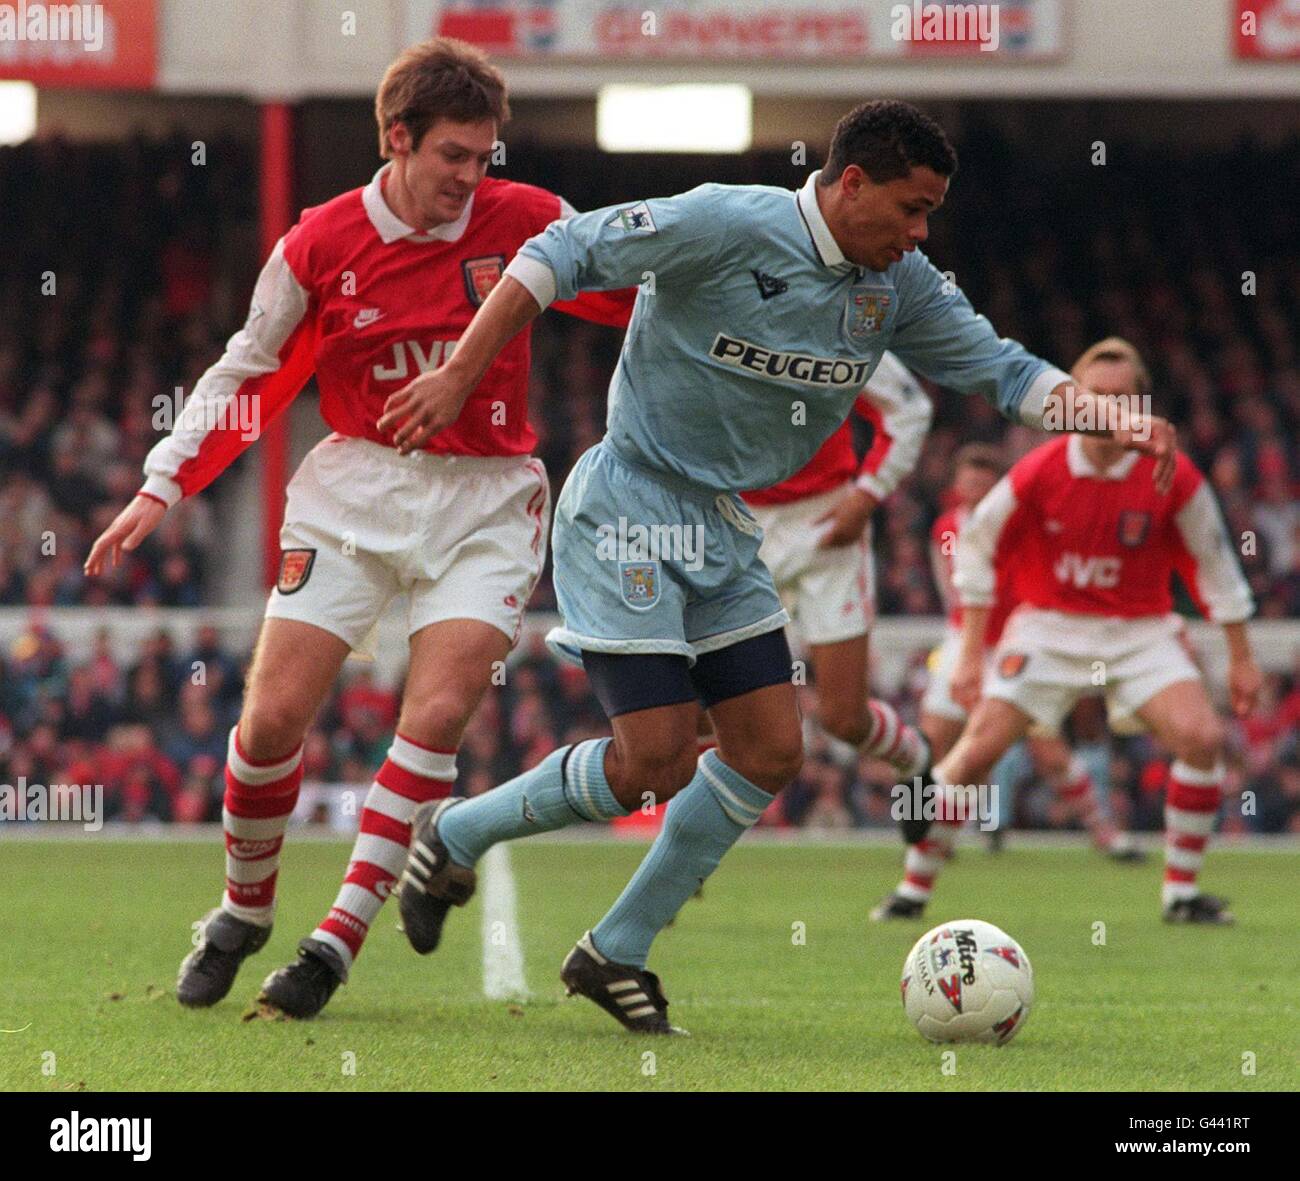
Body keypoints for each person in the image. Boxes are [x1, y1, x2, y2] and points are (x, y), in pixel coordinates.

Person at [389, 102, 1176, 1034]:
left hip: (724, 523)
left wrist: (1111, 416)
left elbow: (1003, 371)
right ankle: (456, 831)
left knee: (771, 748)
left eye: (932, 215)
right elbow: (554, 253)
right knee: (656, 762)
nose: (922, 232)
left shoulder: (902, 285)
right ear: (851, 184)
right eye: (911, 208)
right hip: (632, 505)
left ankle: (617, 947)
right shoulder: (726, 222)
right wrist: (458, 374)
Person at [84, 37, 629, 1018]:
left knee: (437, 712)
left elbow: (636, 283)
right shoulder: (320, 245)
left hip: (490, 498)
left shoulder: (531, 220)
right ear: (397, 139)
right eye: (453, 154)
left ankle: (331, 944)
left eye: (484, 156)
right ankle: (242, 910)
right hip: (350, 498)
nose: (472, 176)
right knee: (269, 724)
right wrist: (161, 485)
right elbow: (247, 370)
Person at [872, 338, 1259, 925]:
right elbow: (974, 549)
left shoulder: (1172, 473)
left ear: (1138, 401)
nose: (1107, 407)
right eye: (1095, 396)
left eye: (1120, 396)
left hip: (1140, 631)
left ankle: (1180, 896)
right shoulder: (1041, 470)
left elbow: (1216, 566)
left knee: (1202, 738)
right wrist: (973, 653)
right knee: (975, 754)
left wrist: (1241, 658)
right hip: (1047, 629)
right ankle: (911, 891)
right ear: (1076, 400)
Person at [739, 352, 935, 786]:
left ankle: (917, 759)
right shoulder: (708, 309)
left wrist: (868, 495)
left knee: (844, 718)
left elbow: (909, 408)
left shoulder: (839, 327)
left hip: (827, 522)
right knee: (705, 709)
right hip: (736, 523)